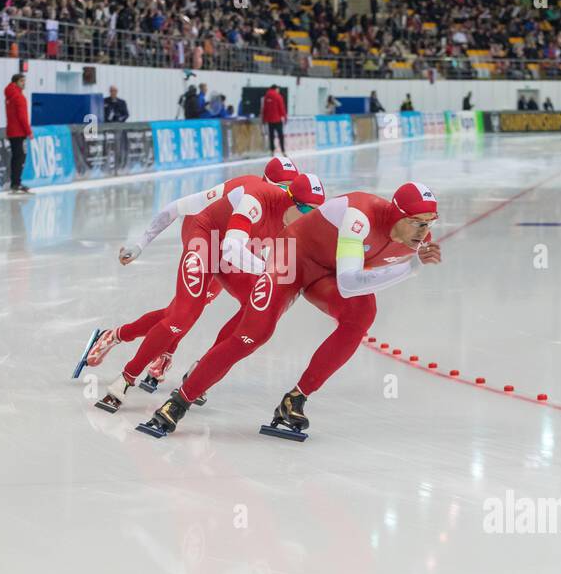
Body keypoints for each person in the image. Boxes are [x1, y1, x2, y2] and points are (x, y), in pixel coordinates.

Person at [140, 183, 441, 438]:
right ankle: (179, 402)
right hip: (290, 258)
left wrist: (409, 262)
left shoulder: (417, 241)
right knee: (253, 335)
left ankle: (295, 399)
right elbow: (350, 283)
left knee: (362, 315)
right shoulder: (360, 215)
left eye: (430, 222)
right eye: (417, 221)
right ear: (397, 214)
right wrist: (410, 267)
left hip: (327, 274)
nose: (424, 231)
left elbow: (352, 281)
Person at [81, 164, 327, 412]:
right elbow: (178, 207)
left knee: (255, 304)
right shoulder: (249, 195)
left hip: (236, 252)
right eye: (281, 188)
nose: (308, 216)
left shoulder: (296, 219)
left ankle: (201, 365)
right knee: (183, 314)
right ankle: (126, 374)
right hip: (204, 237)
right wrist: (141, 243)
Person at [5, 73, 32, 193]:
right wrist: (29, 131)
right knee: (20, 158)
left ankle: (15, 183)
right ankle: (16, 183)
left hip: (12, 132)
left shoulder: (9, 97)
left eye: (24, 81)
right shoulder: (19, 98)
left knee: (16, 157)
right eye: (22, 81)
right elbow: (22, 117)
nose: (24, 83)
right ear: (15, 82)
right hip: (19, 132)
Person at [262, 84, 287, 155]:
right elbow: (281, 107)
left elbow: (265, 109)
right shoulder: (278, 96)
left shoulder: (266, 96)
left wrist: (264, 119)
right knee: (280, 136)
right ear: (276, 89)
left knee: (271, 136)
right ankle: (283, 150)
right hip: (277, 119)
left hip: (270, 120)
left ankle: (272, 151)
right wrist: (285, 117)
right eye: (278, 89)